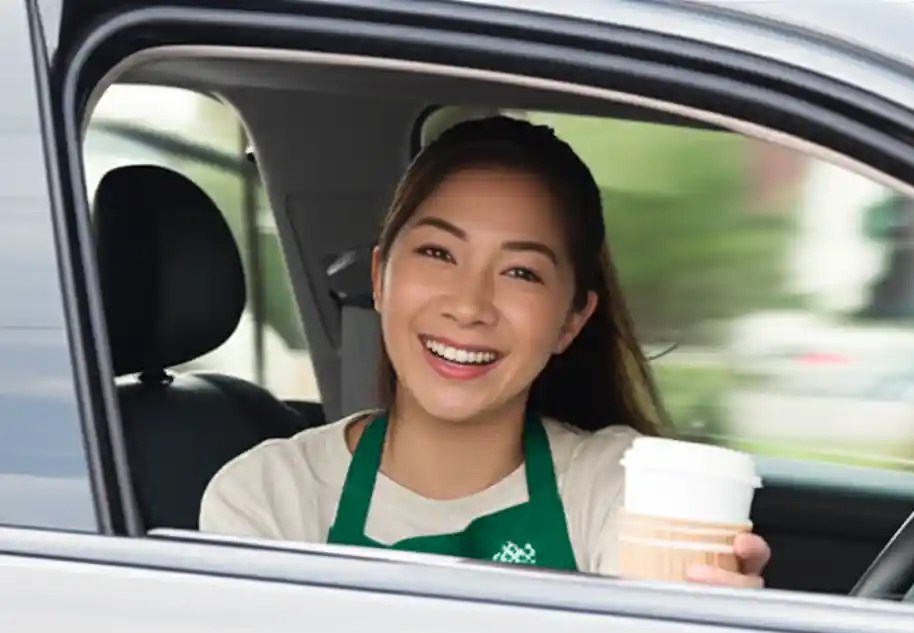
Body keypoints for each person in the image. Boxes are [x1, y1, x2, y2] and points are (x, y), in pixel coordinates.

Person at [199, 115, 770, 588]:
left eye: (521, 272)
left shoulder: (620, 489)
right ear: (379, 278)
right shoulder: (268, 498)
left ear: (572, 320)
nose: (470, 305)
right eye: (438, 254)